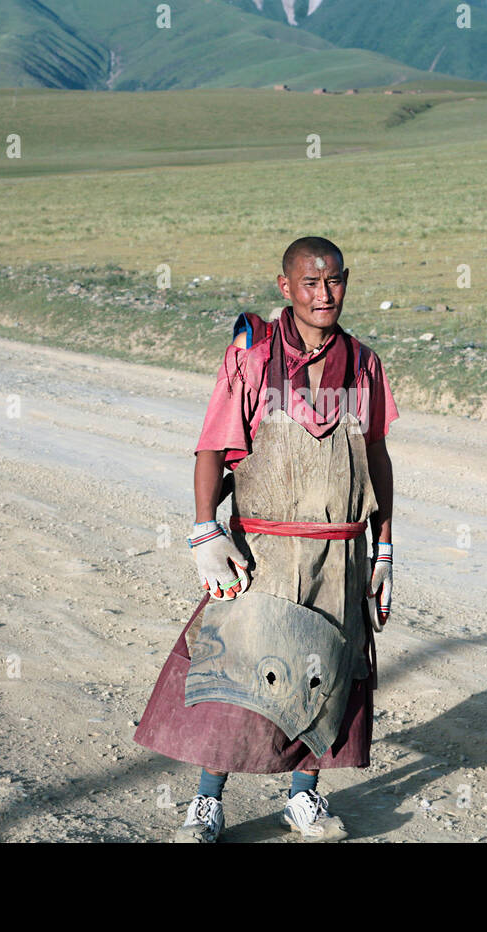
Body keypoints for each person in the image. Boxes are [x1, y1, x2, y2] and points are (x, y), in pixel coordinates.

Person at [132, 236, 399, 842]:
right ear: (286, 288)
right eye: (310, 283)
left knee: (325, 671)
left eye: (333, 281)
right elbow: (210, 447)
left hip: (341, 552)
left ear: (347, 281)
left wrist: (384, 548)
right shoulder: (250, 357)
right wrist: (204, 530)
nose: (323, 294)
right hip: (264, 548)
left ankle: (302, 797)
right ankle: (207, 801)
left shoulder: (364, 364)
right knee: (238, 672)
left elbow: (377, 457)